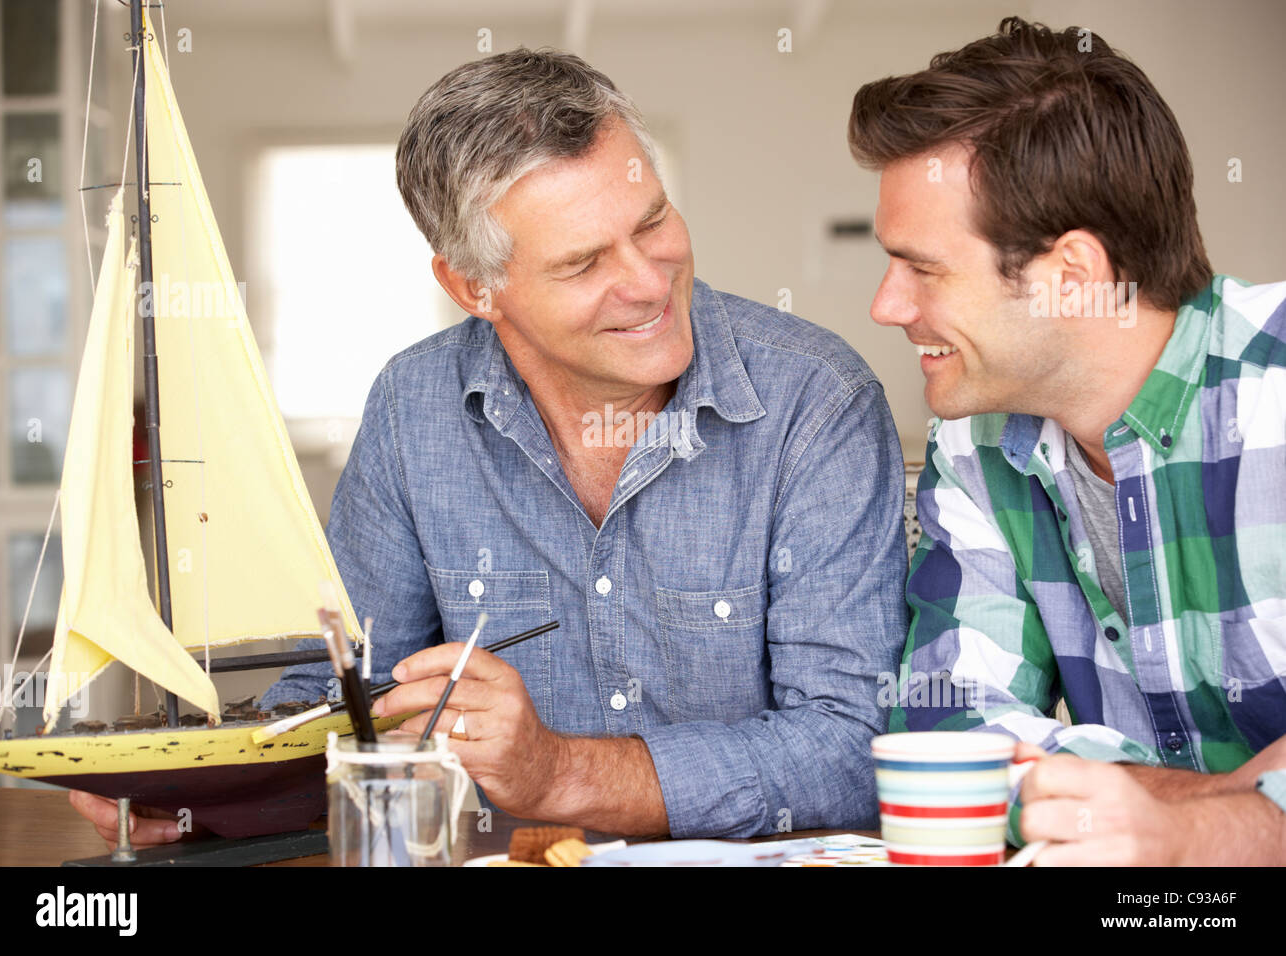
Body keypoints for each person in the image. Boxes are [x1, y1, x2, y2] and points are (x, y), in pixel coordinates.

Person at [73, 47, 908, 847]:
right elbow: (348, 702)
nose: (650, 282)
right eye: (583, 264)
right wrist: (209, 801)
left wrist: (561, 774)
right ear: (474, 287)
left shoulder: (817, 402)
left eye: (651, 221)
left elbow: (853, 746)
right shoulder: (412, 409)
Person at [847, 17, 1286, 864]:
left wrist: (1193, 832)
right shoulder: (974, 444)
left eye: (923, 268)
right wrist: (1233, 804)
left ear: (1072, 276)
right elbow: (949, 731)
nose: (886, 306)